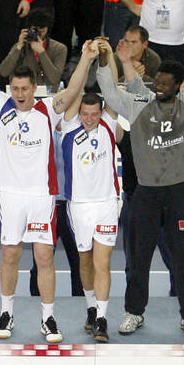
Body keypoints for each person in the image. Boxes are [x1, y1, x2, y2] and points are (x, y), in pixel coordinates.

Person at [97, 35, 184, 337]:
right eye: (158, 83)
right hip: (146, 193)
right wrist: (108, 60)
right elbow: (109, 92)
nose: (160, 88)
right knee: (138, 260)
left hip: (180, 192)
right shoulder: (140, 106)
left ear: (180, 85)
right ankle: (134, 313)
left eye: (167, 84)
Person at [0, 22, 85, 342]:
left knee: (44, 258)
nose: (19, 94)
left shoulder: (49, 109)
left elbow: (73, 90)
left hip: (41, 196)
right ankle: (6, 314)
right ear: (11, 89)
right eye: (15, 89)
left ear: (34, 88)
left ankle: (48, 318)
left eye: (25, 89)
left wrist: (86, 58)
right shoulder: (1, 105)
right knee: (10, 255)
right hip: (11, 196)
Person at [56, 42, 120, 342]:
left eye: (95, 113)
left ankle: (104, 319)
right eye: (86, 113)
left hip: (106, 203)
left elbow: (115, 89)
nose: (90, 118)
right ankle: (91, 309)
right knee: (84, 260)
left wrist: (106, 58)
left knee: (102, 262)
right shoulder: (69, 128)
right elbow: (74, 89)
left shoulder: (108, 124)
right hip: (78, 206)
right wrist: (86, 59)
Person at [0, 7, 67, 90]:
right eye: (35, 30)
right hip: (23, 93)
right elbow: (3, 72)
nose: (39, 34)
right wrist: (18, 48)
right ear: (28, 28)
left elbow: (54, 78)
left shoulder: (59, 49)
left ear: (48, 29)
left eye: (42, 30)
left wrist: (42, 53)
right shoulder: (20, 47)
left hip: (48, 94)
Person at [88, 25, 161, 87]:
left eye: (133, 42)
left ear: (145, 44)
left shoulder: (154, 59)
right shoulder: (115, 58)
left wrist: (139, 77)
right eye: (126, 41)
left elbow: (157, 85)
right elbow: (108, 87)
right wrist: (129, 76)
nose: (128, 45)